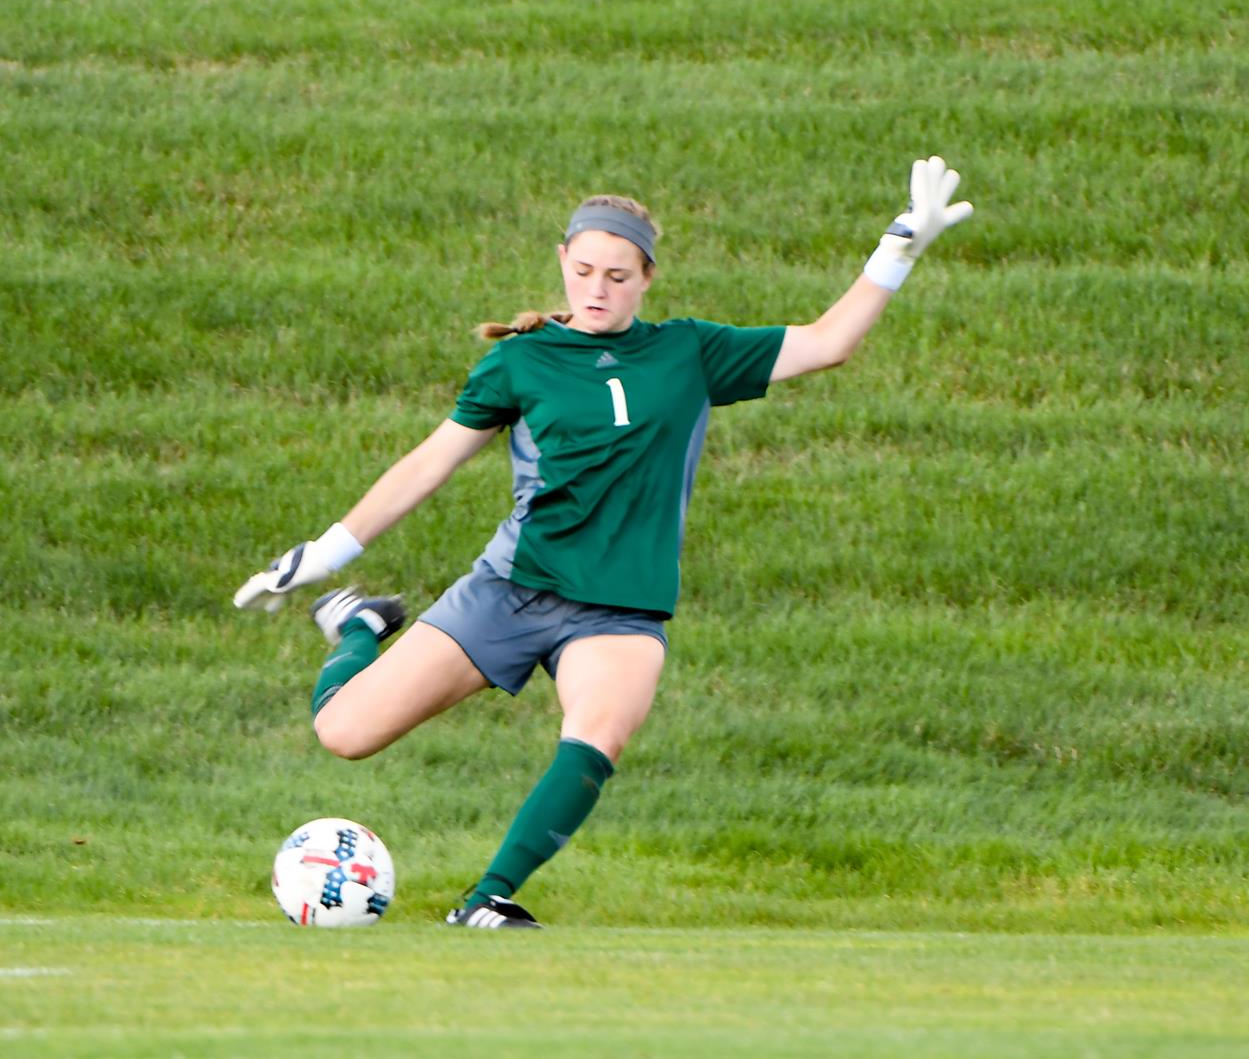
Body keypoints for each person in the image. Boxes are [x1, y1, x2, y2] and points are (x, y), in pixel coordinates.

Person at [235, 156, 973, 928]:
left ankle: (486, 898)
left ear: (648, 276)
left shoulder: (690, 351)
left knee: (599, 731)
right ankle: (357, 625)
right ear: (562, 262)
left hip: (618, 607)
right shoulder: (519, 360)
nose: (597, 288)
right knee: (343, 732)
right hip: (511, 589)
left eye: (617, 275)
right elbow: (429, 463)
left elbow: (828, 343)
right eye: (584, 269)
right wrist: (323, 553)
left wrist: (897, 252)